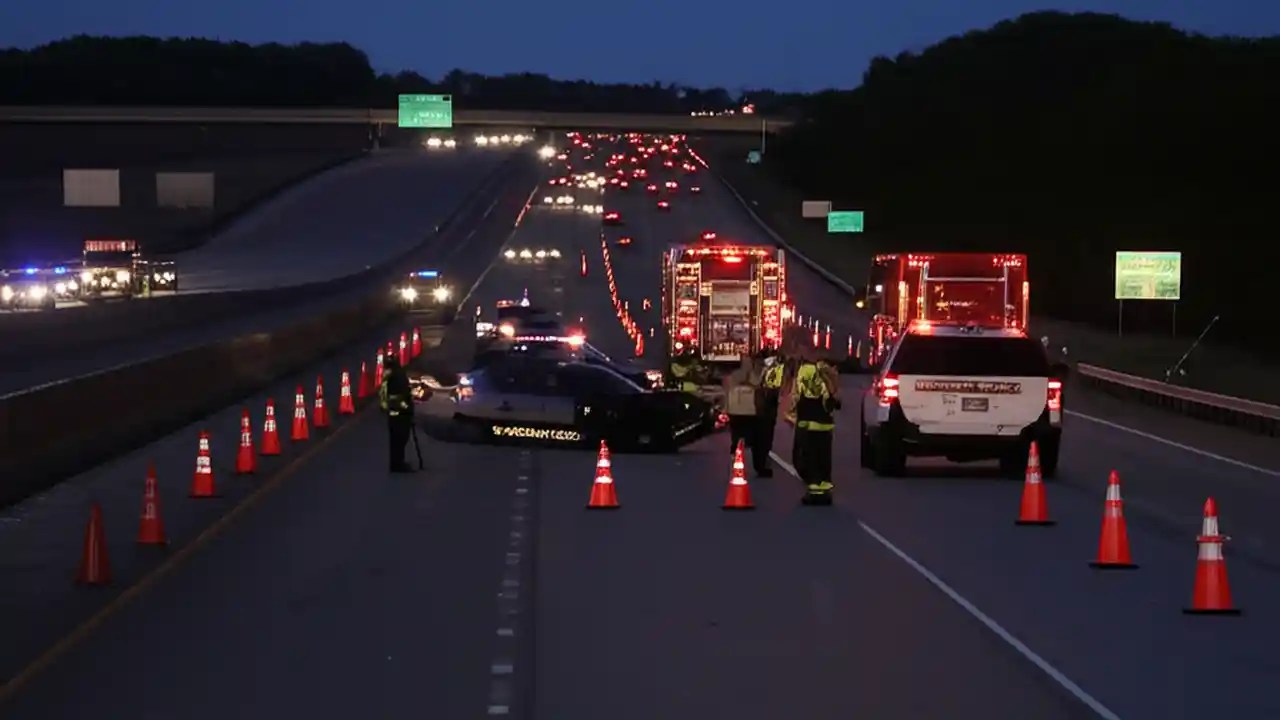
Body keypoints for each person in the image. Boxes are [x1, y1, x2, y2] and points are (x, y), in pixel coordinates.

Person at [789, 344, 842, 504]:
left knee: (805, 459)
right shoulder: (830, 372)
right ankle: (825, 492)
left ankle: (813, 492)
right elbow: (835, 399)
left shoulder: (805, 371)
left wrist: (791, 415)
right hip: (825, 425)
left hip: (808, 423)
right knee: (823, 460)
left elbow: (797, 394)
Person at [722, 354, 763, 469]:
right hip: (748, 407)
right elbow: (757, 384)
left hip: (734, 406)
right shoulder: (750, 374)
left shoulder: (731, 376)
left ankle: (735, 450)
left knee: (735, 430)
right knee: (748, 430)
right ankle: (743, 448)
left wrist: (725, 409)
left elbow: (727, 390)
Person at [379, 347, 415, 473]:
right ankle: (398, 464)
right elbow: (401, 394)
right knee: (401, 438)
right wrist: (408, 407)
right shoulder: (397, 374)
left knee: (395, 439)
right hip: (400, 411)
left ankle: (396, 463)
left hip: (393, 411)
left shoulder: (387, 375)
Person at [755, 351, 785, 477]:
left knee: (761, 438)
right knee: (765, 437)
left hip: (761, 407)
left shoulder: (763, 369)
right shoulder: (775, 369)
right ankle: (763, 465)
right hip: (767, 406)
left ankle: (761, 464)